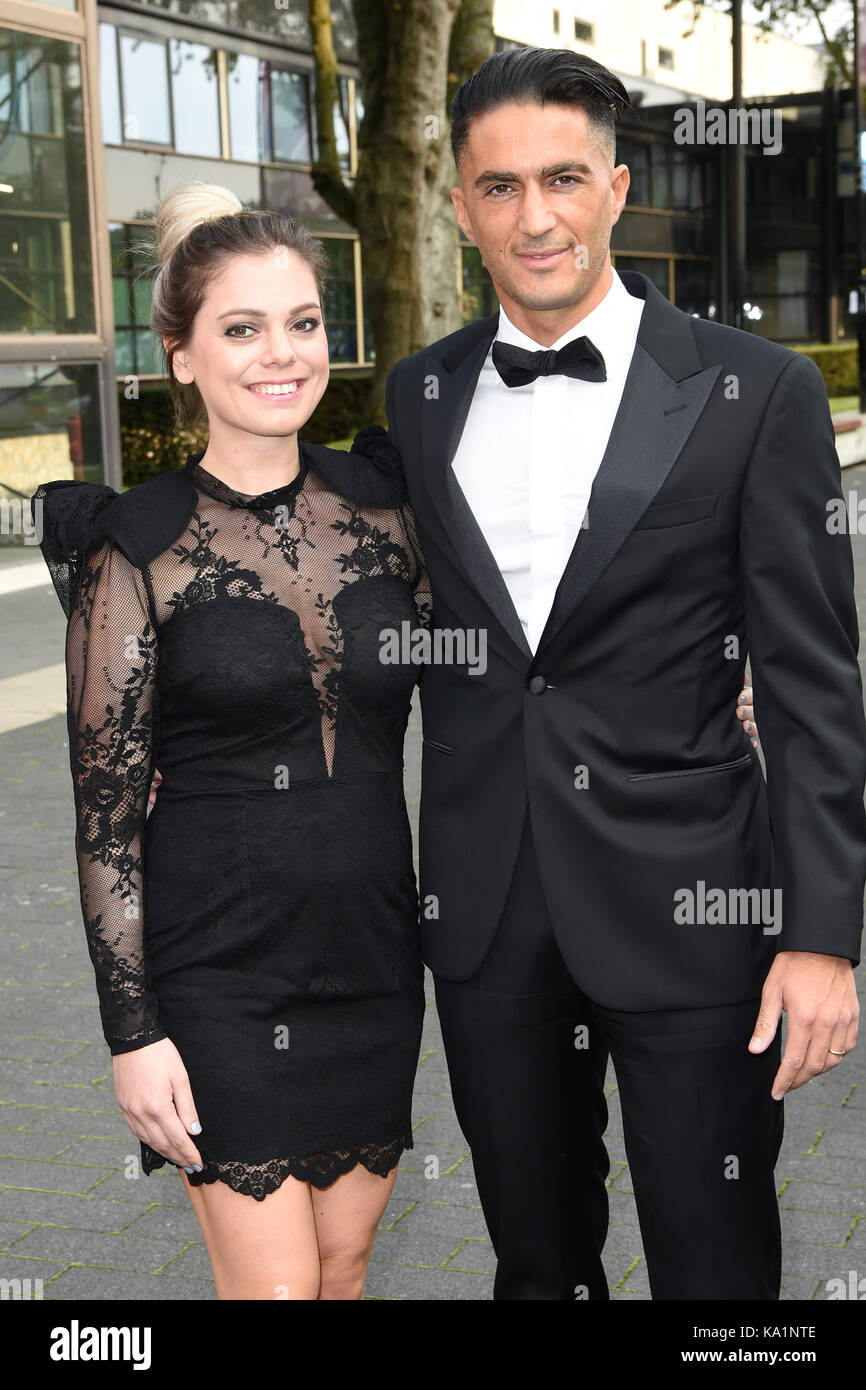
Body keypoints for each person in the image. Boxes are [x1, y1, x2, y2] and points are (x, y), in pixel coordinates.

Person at [383, 47, 866, 1299]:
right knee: (536, 1262)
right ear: (458, 204)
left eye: (560, 178)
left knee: (714, 1266)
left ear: (615, 182)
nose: (531, 216)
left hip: (692, 903)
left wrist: (820, 936)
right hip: (486, 913)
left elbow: (813, 688)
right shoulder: (419, 394)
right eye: (498, 187)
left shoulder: (753, 390)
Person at [32, 184, 432, 1300]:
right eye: (242, 328)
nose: (281, 353)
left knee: (343, 1269)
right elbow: (104, 821)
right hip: (216, 974)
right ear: (182, 356)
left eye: (302, 322)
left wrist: (713, 681)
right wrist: (132, 1032)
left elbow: (514, 667)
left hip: (370, 957)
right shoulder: (135, 546)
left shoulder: (387, 513)